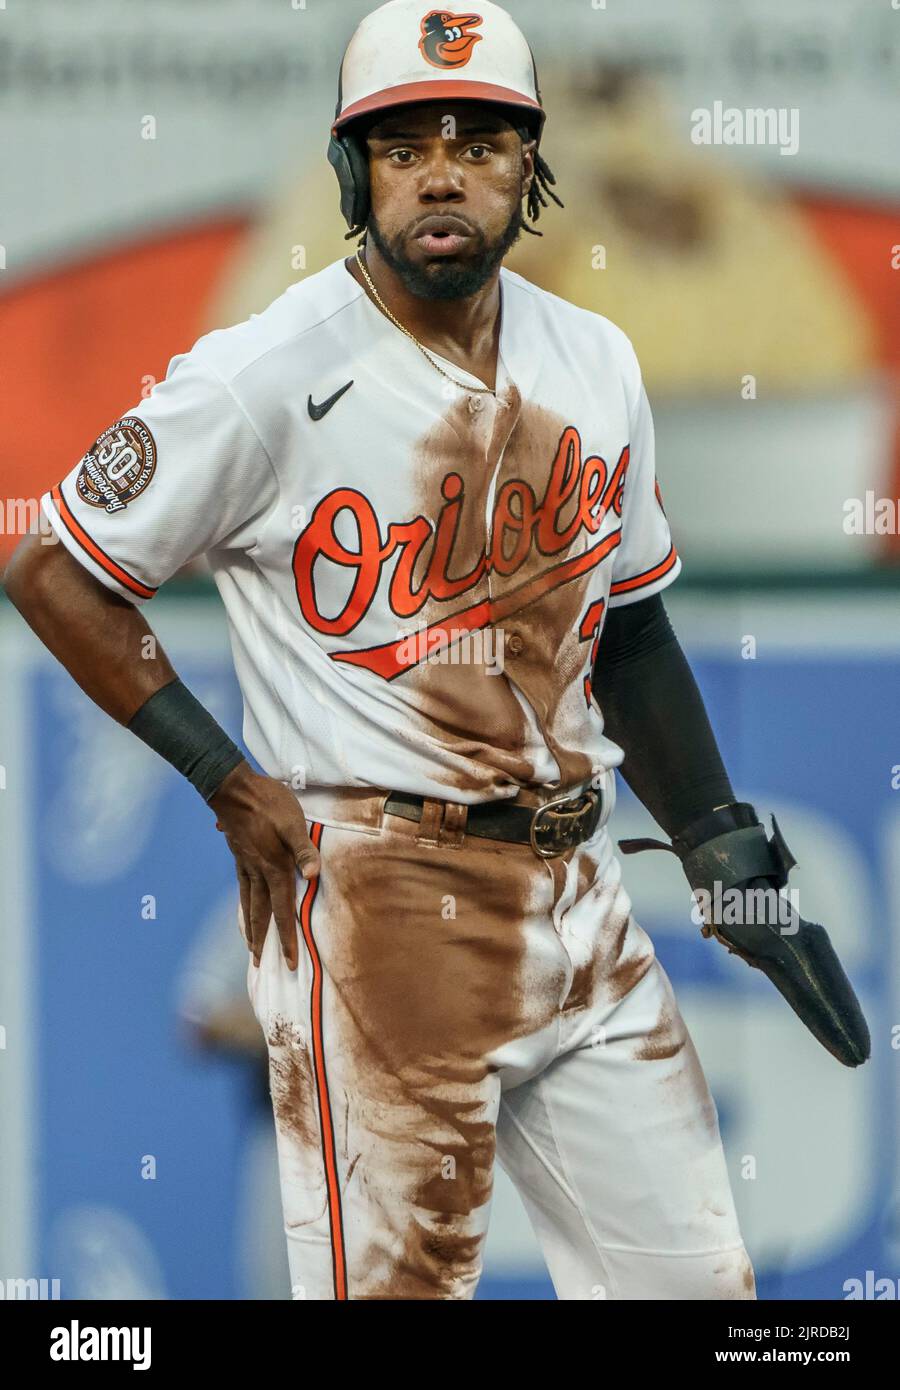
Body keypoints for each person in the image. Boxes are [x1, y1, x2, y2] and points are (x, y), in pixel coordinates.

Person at [4, 0, 867, 1301]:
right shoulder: (266, 372)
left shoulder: (596, 360)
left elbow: (625, 627)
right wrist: (224, 777)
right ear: (357, 175)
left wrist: (719, 843)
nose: (444, 169)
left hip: (579, 882)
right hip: (381, 897)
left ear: (532, 169)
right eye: (406, 144)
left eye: (481, 139)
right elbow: (52, 568)